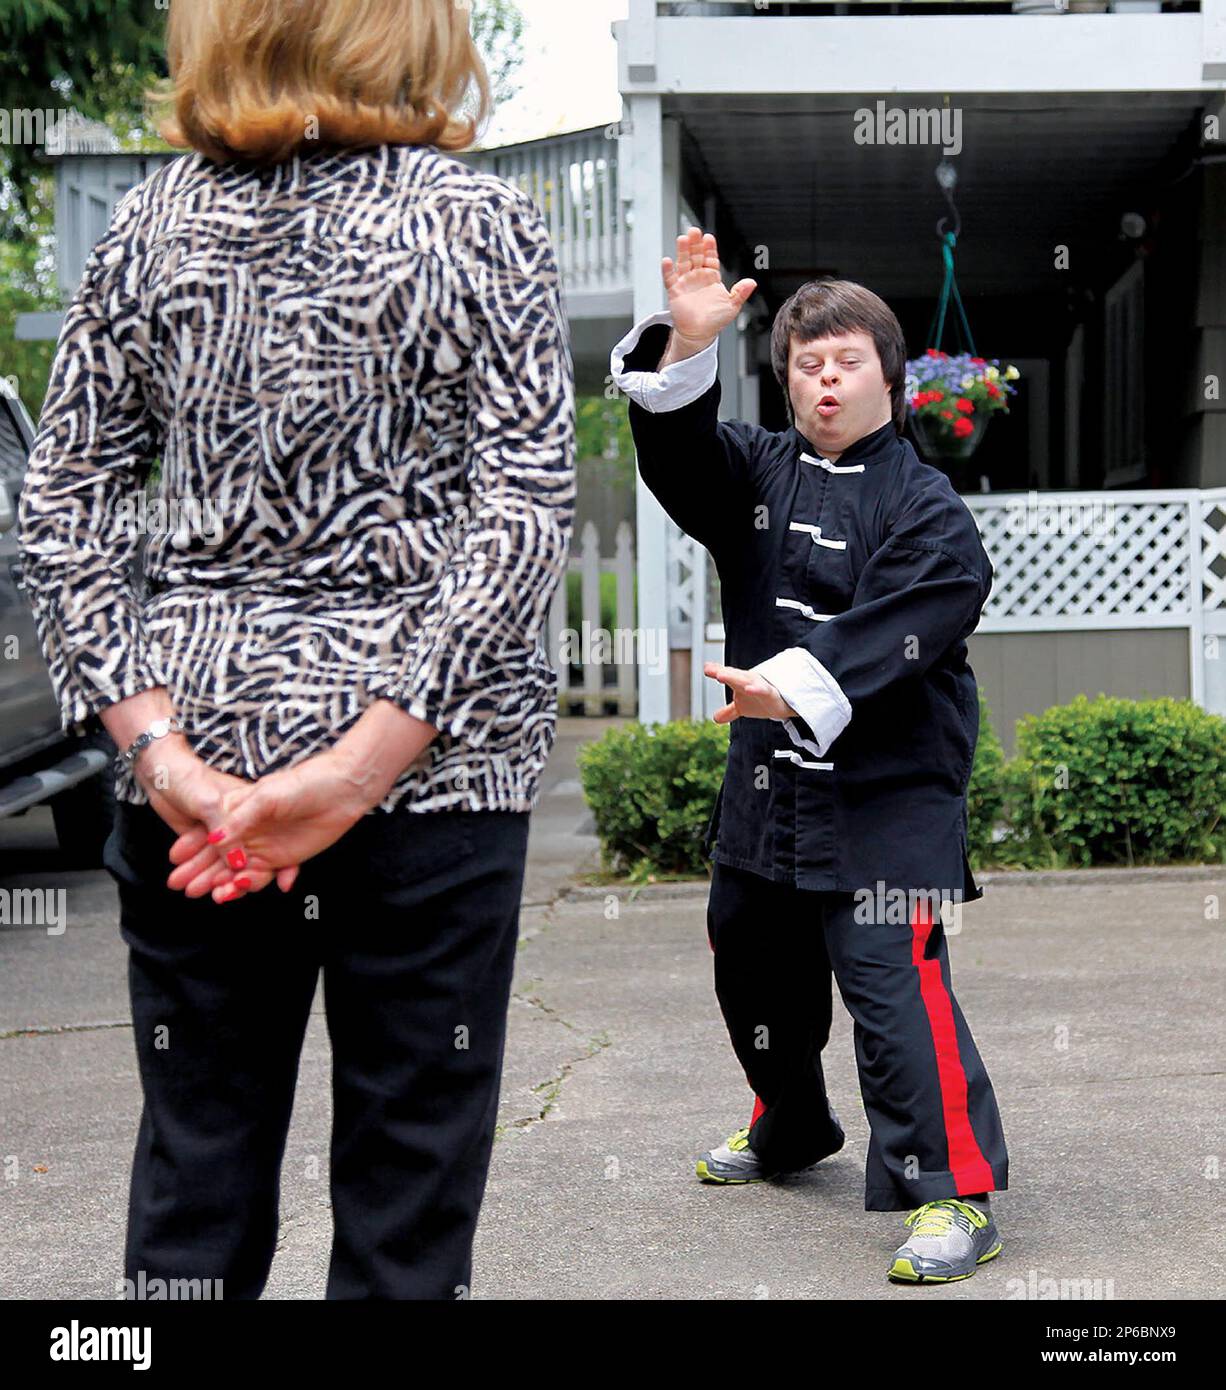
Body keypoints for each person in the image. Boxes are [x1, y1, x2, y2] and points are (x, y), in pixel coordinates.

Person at [16, 0, 575, 1300]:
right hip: (433, 786)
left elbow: (66, 505)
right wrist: (356, 769)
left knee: (195, 1179)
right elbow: (519, 513)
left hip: (199, 797)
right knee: (407, 1196)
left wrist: (162, 755)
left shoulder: (147, 226)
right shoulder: (478, 220)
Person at [609, 227, 1009, 1284]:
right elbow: (680, 456)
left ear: (888, 375)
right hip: (767, 792)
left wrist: (791, 683)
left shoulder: (924, 504)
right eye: (803, 363)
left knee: (891, 988)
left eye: (843, 360)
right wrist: (686, 351)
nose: (822, 379)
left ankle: (951, 1193)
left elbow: (927, 608)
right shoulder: (752, 468)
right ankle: (788, 1126)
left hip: (888, 795)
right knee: (750, 967)